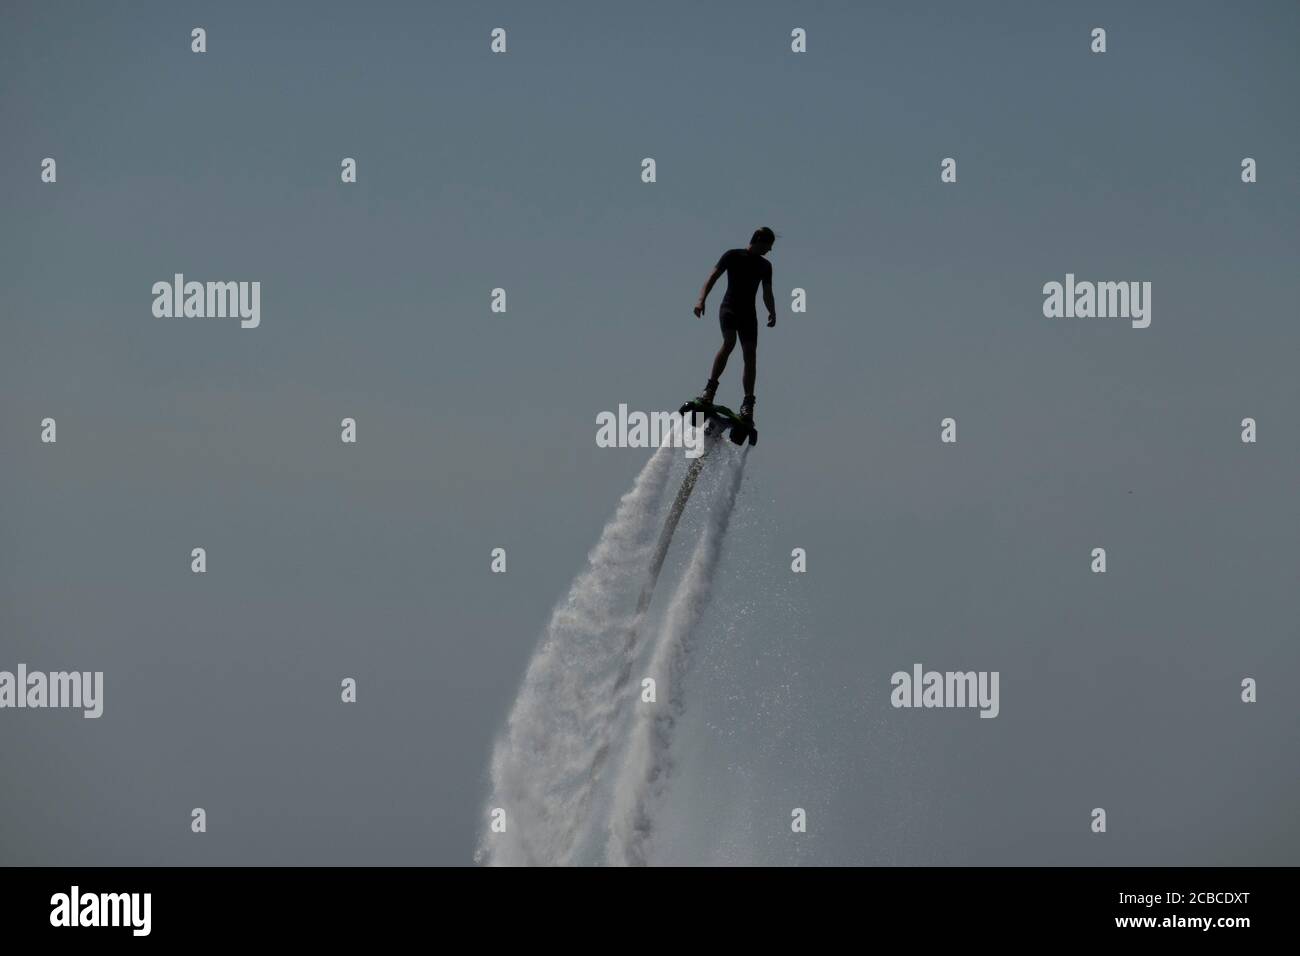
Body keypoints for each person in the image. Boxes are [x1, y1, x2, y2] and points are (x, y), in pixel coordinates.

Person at [692, 227, 776, 422]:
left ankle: (748, 404)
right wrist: (701, 300)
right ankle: (710, 390)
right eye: (768, 246)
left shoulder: (766, 266)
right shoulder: (733, 255)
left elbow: (767, 292)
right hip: (729, 308)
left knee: (750, 354)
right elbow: (712, 277)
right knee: (729, 342)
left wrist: (771, 310)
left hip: (749, 315)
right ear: (758, 240)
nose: (769, 250)